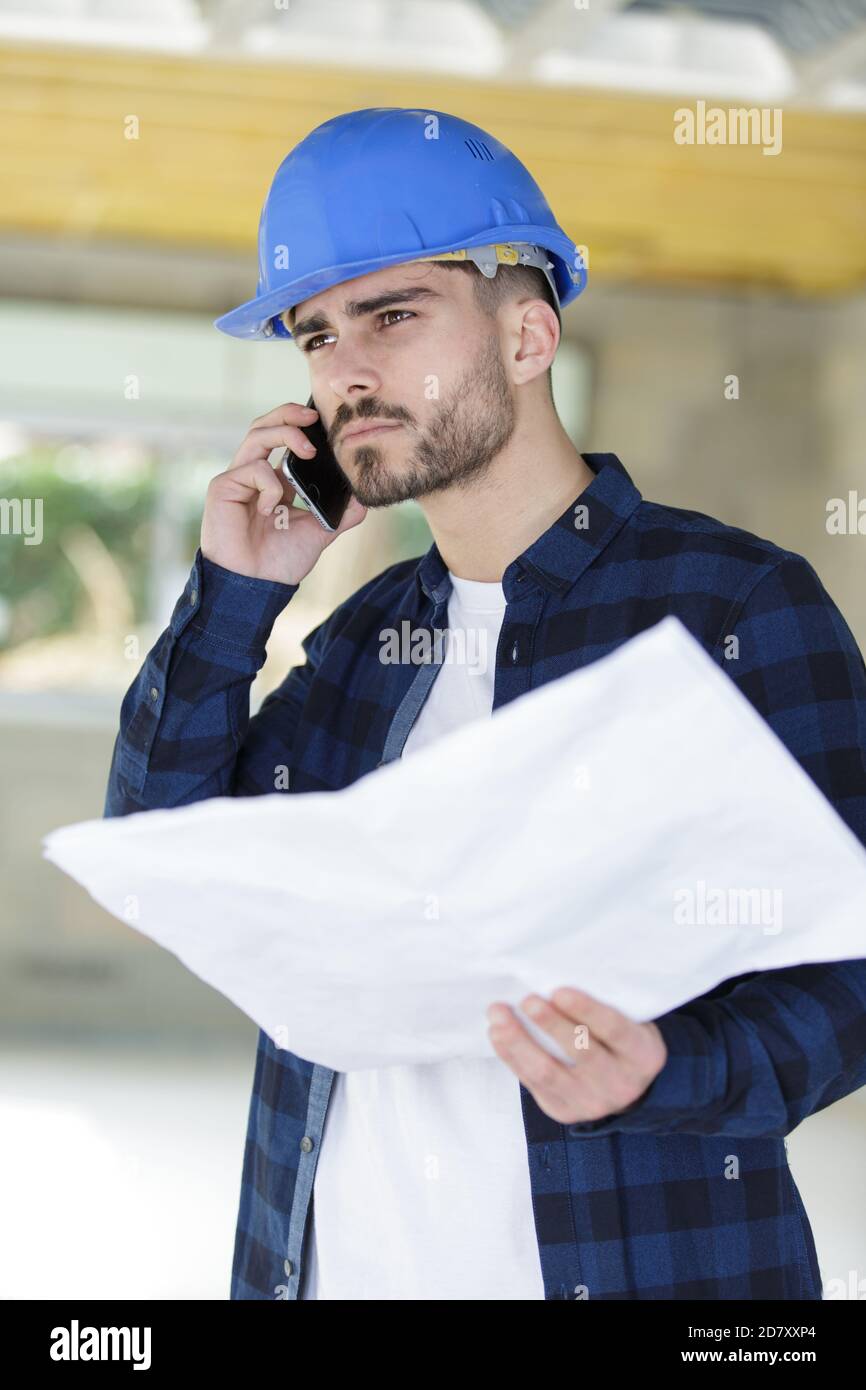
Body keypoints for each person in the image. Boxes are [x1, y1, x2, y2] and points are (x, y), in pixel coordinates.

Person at [104, 107, 866, 1301]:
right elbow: (163, 858)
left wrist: (668, 1070)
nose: (345, 371)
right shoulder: (360, 644)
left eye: (392, 316)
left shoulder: (734, 606)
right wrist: (231, 600)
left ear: (526, 333)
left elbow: (851, 957)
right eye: (313, 337)